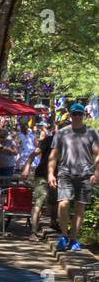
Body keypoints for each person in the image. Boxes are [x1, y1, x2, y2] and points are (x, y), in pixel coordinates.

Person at [48, 102, 99, 252]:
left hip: (85, 174)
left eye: (79, 114)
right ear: (70, 115)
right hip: (65, 173)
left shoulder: (92, 132)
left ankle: (74, 238)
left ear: (84, 115)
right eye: (74, 114)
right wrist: (51, 174)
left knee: (80, 206)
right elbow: (53, 155)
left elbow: (97, 154)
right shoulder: (62, 133)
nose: (77, 117)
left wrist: (96, 173)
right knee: (63, 203)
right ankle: (63, 236)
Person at [28, 120, 55, 239]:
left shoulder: (71, 142)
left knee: (55, 202)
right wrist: (27, 166)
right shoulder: (49, 140)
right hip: (42, 174)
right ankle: (33, 232)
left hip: (59, 176)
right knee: (40, 201)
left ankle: (54, 223)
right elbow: (35, 153)